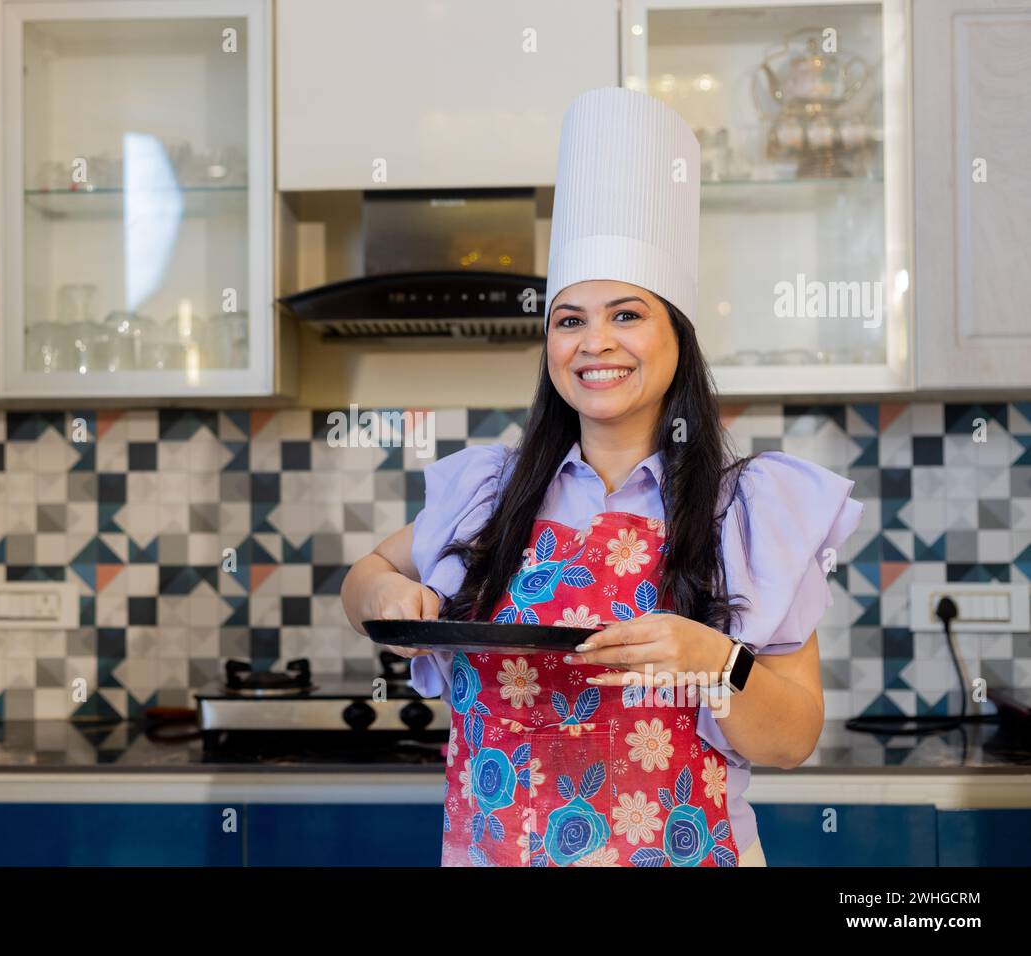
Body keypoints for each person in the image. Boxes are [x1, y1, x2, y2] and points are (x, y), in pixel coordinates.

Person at [340, 87, 864, 867]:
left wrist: (715, 662)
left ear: (675, 336)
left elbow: (792, 740)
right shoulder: (491, 490)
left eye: (626, 314)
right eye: (570, 319)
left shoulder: (750, 507)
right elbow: (369, 574)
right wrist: (382, 597)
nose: (595, 344)